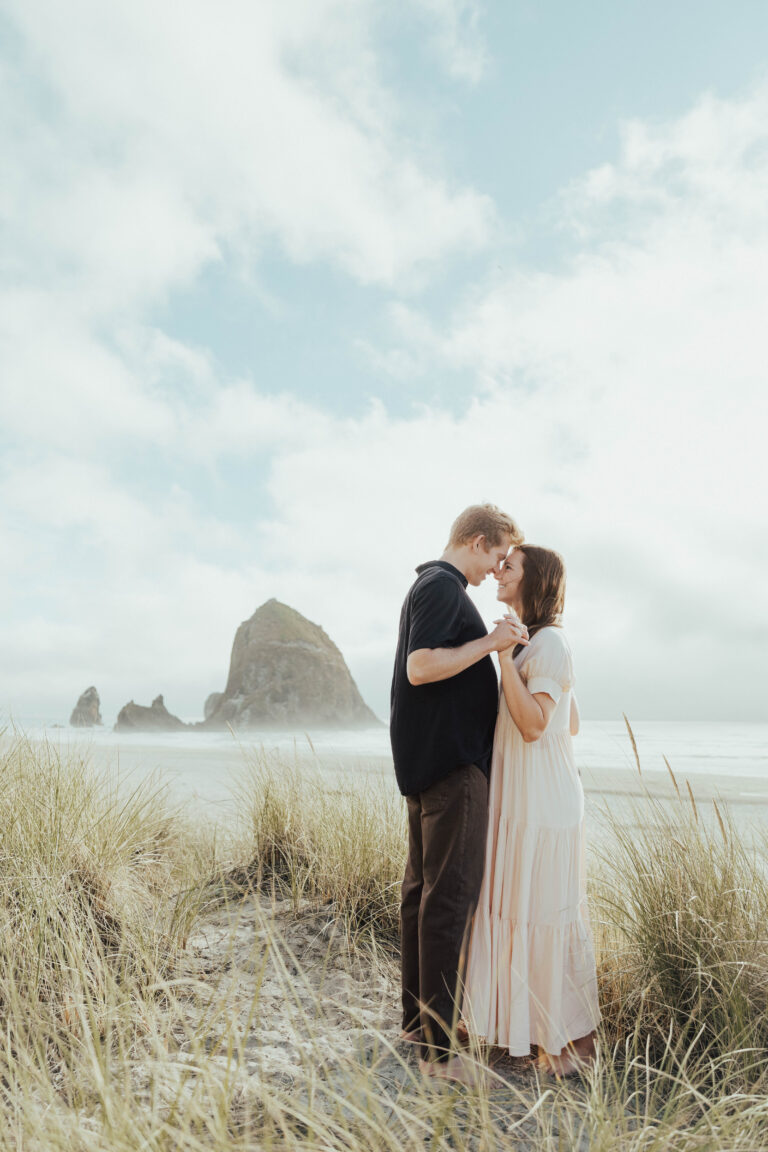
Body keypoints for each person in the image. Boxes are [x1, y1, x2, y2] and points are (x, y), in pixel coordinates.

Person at [390, 503, 527, 1084]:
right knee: (448, 902)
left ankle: (418, 1027)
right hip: (452, 767)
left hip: (428, 764)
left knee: (423, 896)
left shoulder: (429, 585)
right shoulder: (444, 587)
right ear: (476, 541)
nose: (498, 569)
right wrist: (494, 643)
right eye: (498, 556)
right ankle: (440, 1059)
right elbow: (421, 668)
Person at [464, 545, 601, 1077]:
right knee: (518, 908)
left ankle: (568, 1043)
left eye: (510, 566)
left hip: (542, 806)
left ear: (533, 581)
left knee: (543, 912)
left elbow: (536, 726)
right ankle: (522, 1030)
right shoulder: (538, 643)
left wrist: (502, 658)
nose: (500, 571)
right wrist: (513, 656)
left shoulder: (547, 643)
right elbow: (572, 723)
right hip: (526, 799)